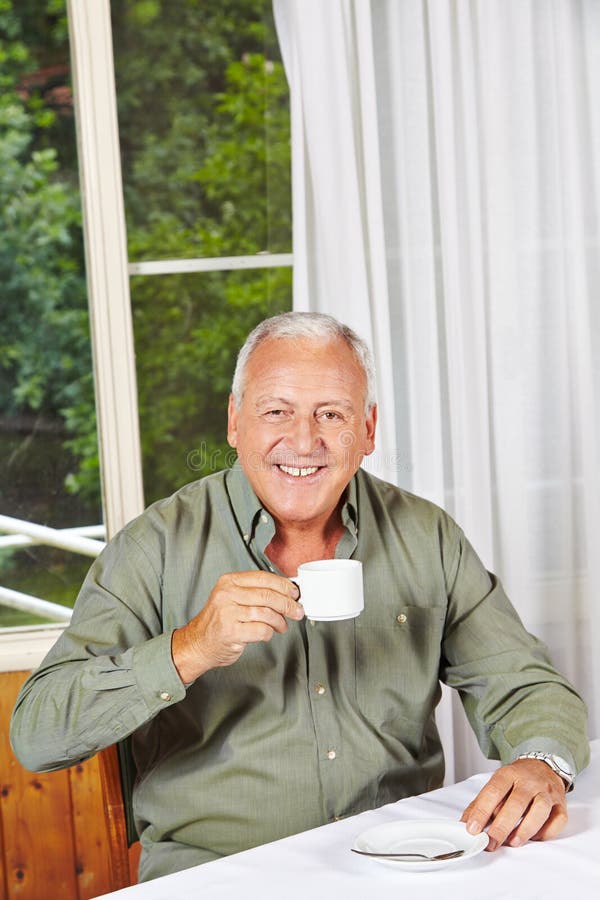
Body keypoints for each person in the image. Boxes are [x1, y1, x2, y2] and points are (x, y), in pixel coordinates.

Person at [10, 312, 589, 882]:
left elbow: (523, 682)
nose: (304, 440)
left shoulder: (426, 535)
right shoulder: (155, 546)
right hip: (220, 876)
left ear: (368, 429)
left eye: (330, 414)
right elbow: (37, 733)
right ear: (235, 422)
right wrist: (190, 648)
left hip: (396, 861)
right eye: (276, 411)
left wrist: (544, 762)